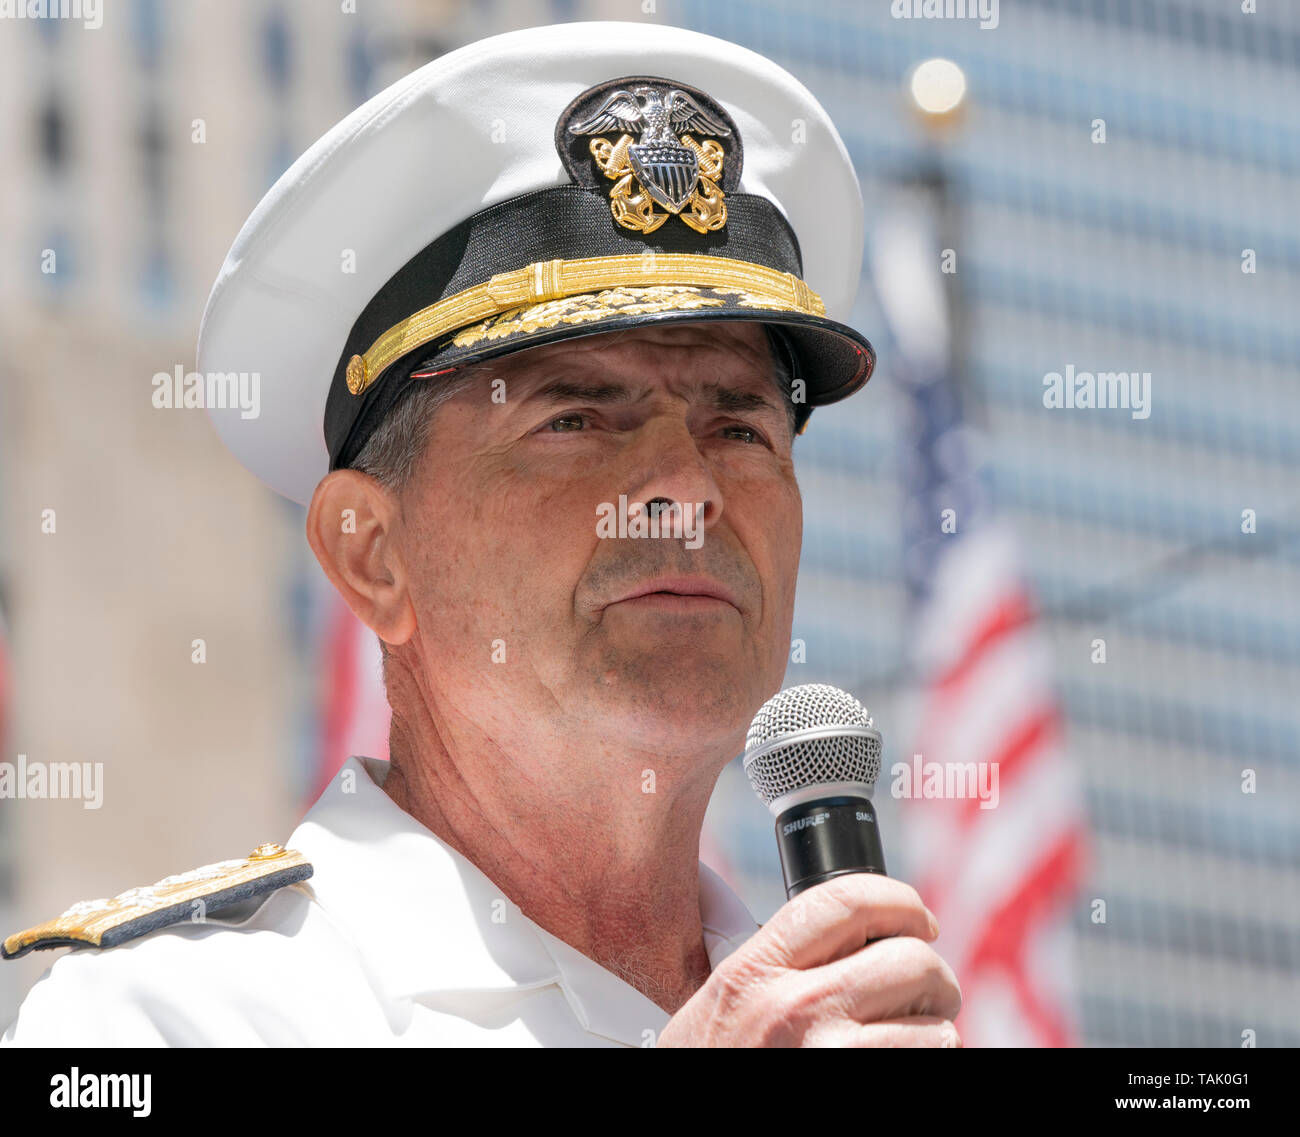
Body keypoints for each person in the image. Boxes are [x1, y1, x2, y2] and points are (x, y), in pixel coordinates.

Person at [2, 20, 960, 1047]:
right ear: (371, 553)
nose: (687, 486)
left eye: (739, 425)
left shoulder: (844, 1014)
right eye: (578, 419)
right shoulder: (163, 1017)